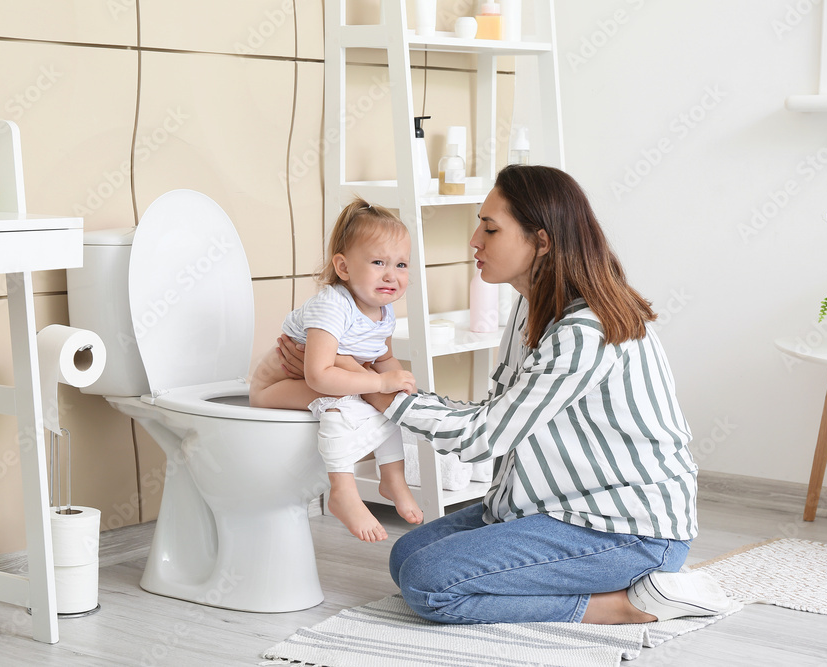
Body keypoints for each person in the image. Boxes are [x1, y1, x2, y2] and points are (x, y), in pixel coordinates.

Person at [278, 165, 732, 625]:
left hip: (626, 529)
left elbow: (482, 437)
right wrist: (364, 377)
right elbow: (494, 413)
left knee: (428, 583)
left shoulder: (582, 332)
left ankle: (623, 605)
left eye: (490, 229)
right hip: (554, 506)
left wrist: (365, 383)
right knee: (407, 557)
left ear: (542, 242)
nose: (474, 240)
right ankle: (594, 580)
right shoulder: (531, 307)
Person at [249, 198, 423, 543]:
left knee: (387, 400)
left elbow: (383, 358)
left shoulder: (382, 309)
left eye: (401, 264)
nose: (392, 274)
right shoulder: (333, 306)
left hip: (318, 379)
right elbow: (319, 375)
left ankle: (393, 477)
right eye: (378, 262)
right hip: (276, 386)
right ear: (343, 267)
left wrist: (397, 381)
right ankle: (342, 491)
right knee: (339, 401)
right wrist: (378, 380)